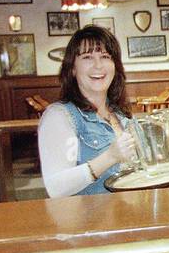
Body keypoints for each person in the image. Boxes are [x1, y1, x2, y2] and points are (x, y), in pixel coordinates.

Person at [37, 26, 137, 197]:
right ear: (72, 69)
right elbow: (56, 188)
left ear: (115, 66)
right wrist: (110, 157)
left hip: (127, 216)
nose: (98, 65)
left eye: (105, 56)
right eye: (87, 57)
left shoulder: (120, 115)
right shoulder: (59, 116)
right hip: (89, 221)